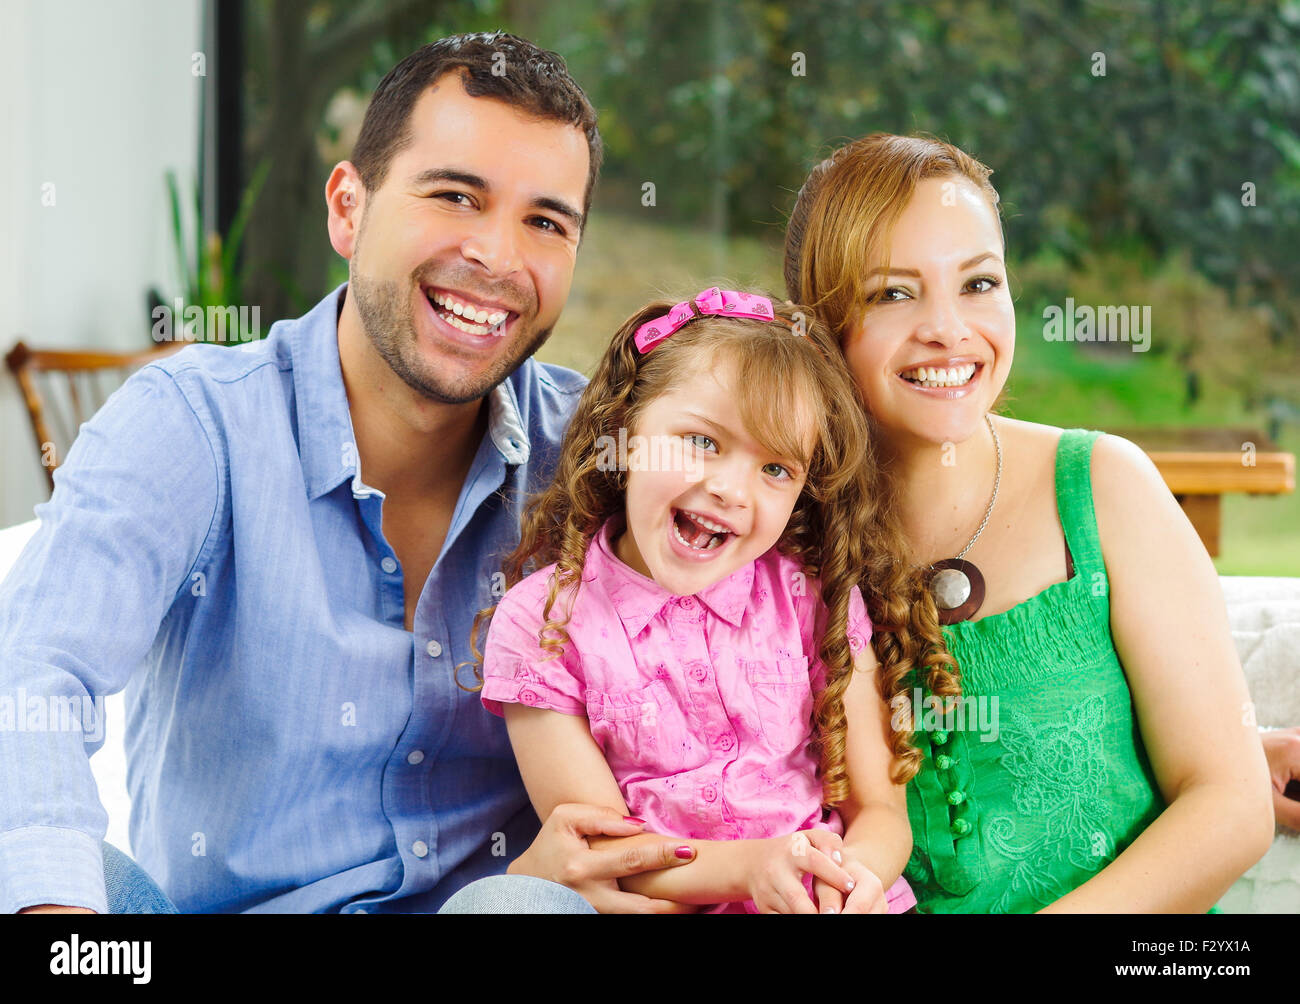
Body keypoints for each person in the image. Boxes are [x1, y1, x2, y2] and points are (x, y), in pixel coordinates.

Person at [0, 32, 692, 915]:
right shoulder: (194, 423)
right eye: (455, 195)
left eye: (545, 222)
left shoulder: (597, 457)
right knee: (60, 879)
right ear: (348, 209)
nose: (498, 257)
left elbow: (758, 598)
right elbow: (31, 677)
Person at [781, 132, 1277, 912]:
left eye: (978, 283)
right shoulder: (773, 541)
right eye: (893, 293)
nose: (949, 329)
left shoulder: (1104, 487)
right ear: (822, 323)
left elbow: (1230, 803)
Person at [466, 289, 951, 913]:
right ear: (626, 431)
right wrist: (752, 870)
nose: (729, 489)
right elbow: (600, 854)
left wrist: (851, 881)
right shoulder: (544, 623)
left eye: (776, 469)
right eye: (702, 441)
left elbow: (880, 811)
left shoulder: (812, 597)